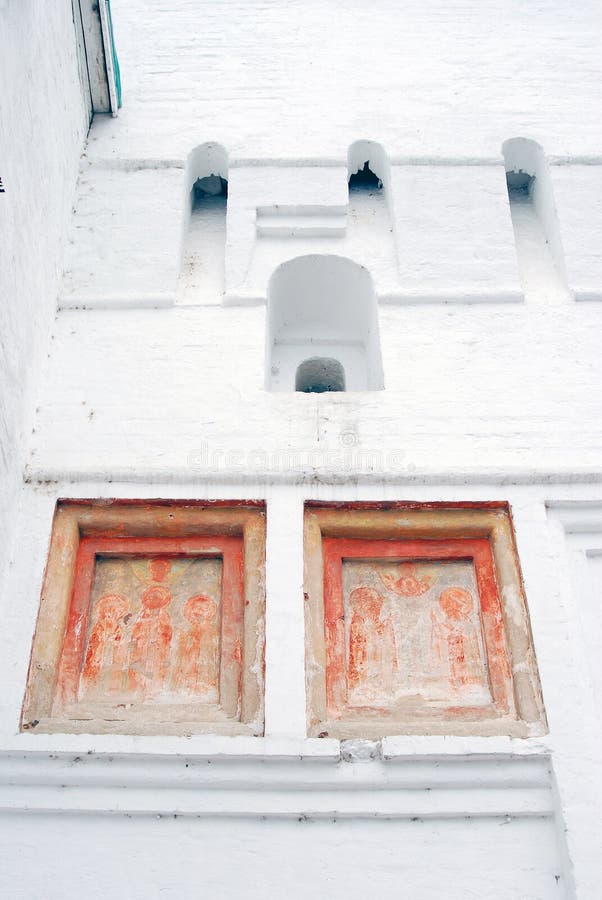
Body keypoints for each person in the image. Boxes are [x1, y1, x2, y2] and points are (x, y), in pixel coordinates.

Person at [348, 585, 398, 705]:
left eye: (377, 606)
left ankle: (378, 690)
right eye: (374, 606)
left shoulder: (372, 619)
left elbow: (378, 631)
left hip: (374, 653)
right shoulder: (357, 620)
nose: (376, 610)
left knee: (377, 672)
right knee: (368, 674)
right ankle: (367, 691)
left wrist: (385, 625)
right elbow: (359, 639)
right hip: (364, 656)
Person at [173, 594, 219, 698]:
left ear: (209, 612)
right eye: (196, 608)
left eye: (204, 609)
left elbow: (213, 653)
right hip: (189, 668)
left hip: (205, 669)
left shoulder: (212, 632)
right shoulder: (187, 632)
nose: (199, 612)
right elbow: (181, 654)